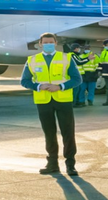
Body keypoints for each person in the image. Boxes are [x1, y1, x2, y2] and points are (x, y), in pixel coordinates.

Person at [22, 33, 83, 176]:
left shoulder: (66, 58)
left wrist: (60, 86)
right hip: (43, 101)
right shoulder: (32, 60)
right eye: (45, 42)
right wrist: (38, 86)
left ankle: (70, 164)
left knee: (68, 133)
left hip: (63, 100)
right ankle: (52, 164)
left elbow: (77, 79)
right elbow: (25, 81)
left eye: (51, 42)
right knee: (49, 134)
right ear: (40, 44)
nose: (48, 44)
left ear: (56, 43)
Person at [69, 44, 90, 108]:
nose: (79, 49)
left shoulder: (75, 55)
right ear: (75, 48)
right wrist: (88, 59)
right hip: (74, 75)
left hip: (78, 75)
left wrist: (87, 58)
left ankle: (77, 102)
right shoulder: (72, 55)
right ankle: (73, 103)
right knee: (75, 89)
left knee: (79, 89)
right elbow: (79, 62)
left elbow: (80, 60)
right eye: (78, 48)